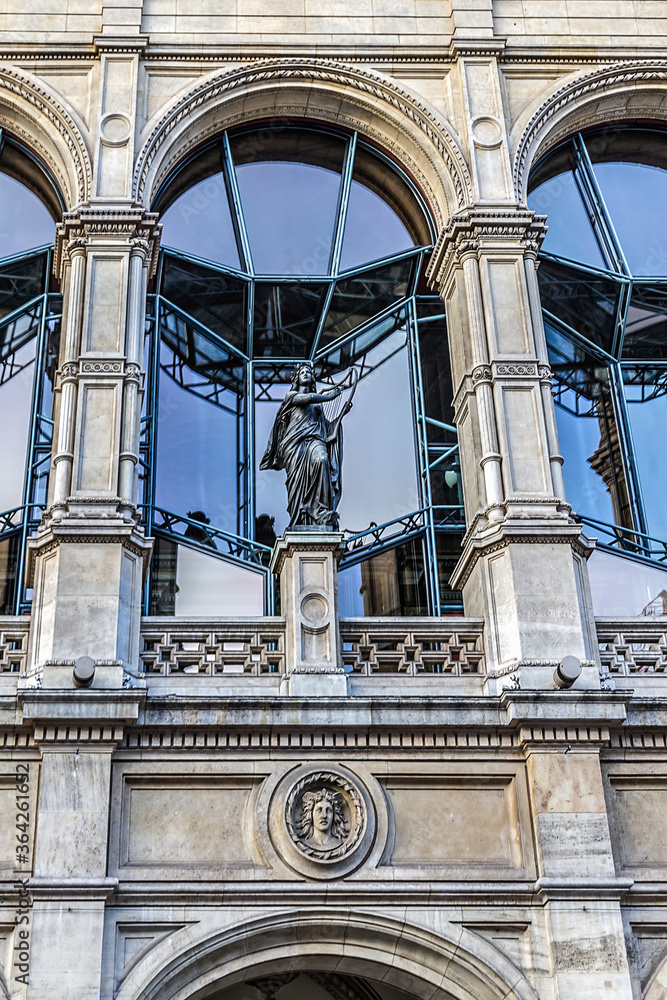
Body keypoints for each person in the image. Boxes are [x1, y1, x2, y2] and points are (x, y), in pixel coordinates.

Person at [260, 363, 352, 529]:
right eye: (302, 371)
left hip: (315, 440)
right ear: (296, 378)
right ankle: (300, 517)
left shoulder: (317, 405)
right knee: (297, 484)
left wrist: (341, 415)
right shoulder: (292, 396)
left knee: (322, 459)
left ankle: (321, 512)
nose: (306, 373)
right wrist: (329, 397)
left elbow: (327, 430)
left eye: (309, 372)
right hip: (294, 445)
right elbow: (306, 398)